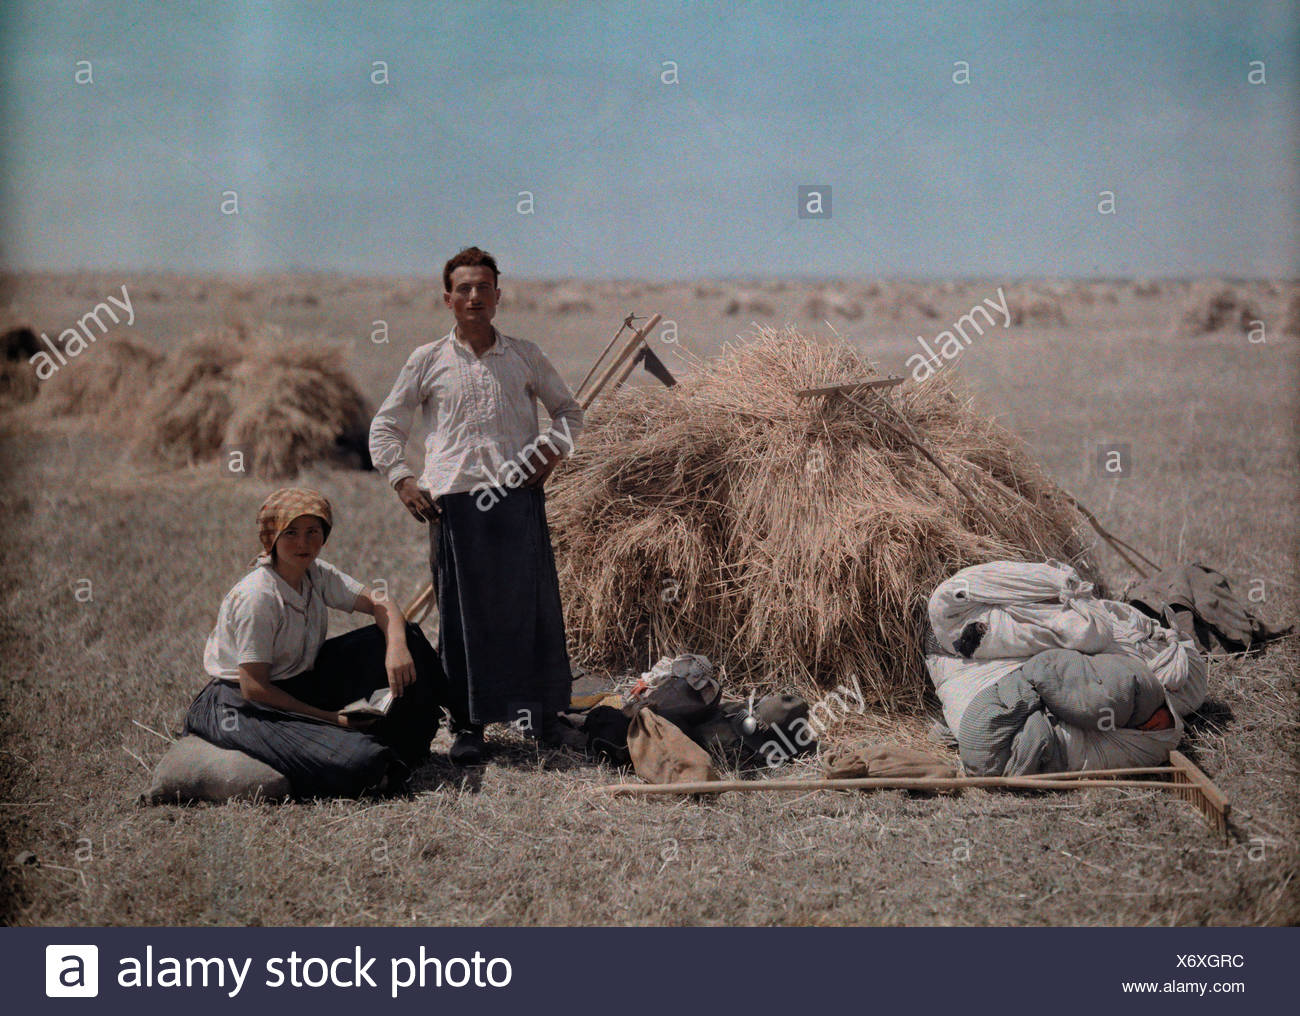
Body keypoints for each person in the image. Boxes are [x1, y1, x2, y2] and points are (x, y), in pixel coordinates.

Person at [369, 246, 584, 765]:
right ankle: (468, 726)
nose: (473, 297)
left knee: (529, 612)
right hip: (456, 507)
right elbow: (385, 427)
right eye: (463, 289)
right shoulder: (426, 360)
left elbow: (569, 413)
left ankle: (543, 720)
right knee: (464, 619)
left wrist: (551, 454)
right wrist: (402, 480)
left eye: (483, 288)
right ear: (447, 299)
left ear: (497, 296)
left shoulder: (526, 355)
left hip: (518, 501)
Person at [183, 487, 445, 798]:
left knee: (408, 635)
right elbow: (255, 687)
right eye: (291, 532)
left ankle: (458, 729)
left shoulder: (315, 574)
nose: (304, 543)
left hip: (301, 681)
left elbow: (380, 602)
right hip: (243, 704)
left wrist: (396, 649)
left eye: (313, 532)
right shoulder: (258, 597)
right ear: (271, 539)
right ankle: (362, 753)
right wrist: (332, 719)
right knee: (362, 759)